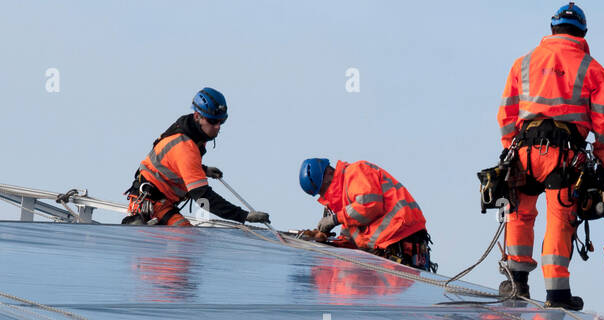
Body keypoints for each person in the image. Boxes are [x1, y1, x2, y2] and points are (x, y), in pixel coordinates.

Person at [495, 1, 604, 309]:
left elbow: (507, 112)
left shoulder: (523, 62)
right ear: (583, 33)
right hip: (563, 155)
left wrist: (510, 147)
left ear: (551, 29)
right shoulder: (593, 69)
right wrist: (603, 161)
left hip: (523, 150)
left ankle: (516, 283)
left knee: (519, 213)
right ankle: (557, 293)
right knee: (560, 219)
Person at [123, 88, 271, 227]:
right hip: (151, 203)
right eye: (213, 121)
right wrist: (243, 216)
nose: (218, 126)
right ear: (197, 116)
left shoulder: (193, 134)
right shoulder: (186, 147)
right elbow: (203, 198)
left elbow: (173, 164)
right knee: (187, 241)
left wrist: (203, 170)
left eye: (221, 121)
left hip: (160, 201)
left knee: (187, 242)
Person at [297, 158, 435, 271]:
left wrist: (334, 219)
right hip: (389, 253)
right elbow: (351, 242)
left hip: (400, 241)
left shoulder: (355, 172)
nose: (325, 196)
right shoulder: (347, 207)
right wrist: (326, 243)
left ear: (328, 174)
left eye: (323, 190)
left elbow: (370, 205)